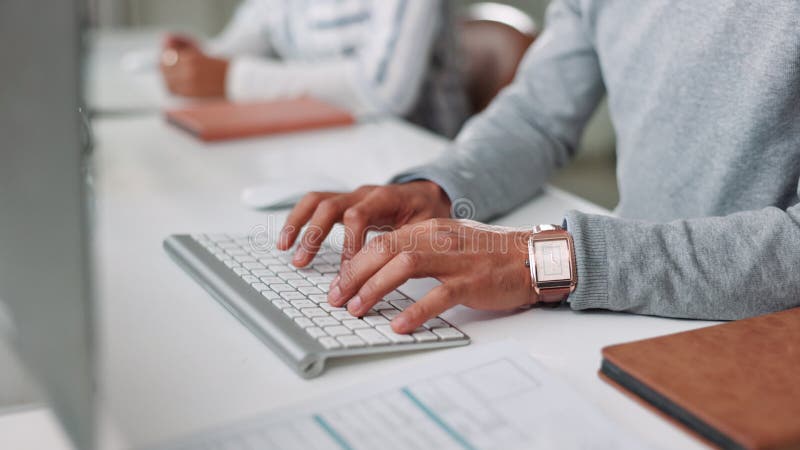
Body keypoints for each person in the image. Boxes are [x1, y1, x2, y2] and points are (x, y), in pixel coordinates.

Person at [276, 0, 800, 335]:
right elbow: (536, 116)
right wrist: (438, 185)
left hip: (762, 337)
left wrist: (548, 260)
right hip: (630, 311)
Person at [159, 0, 469, 138]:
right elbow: (252, 32)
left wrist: (234, 78)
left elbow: (384, 91)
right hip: (322, 144)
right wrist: (200, 60)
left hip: (416, 158)